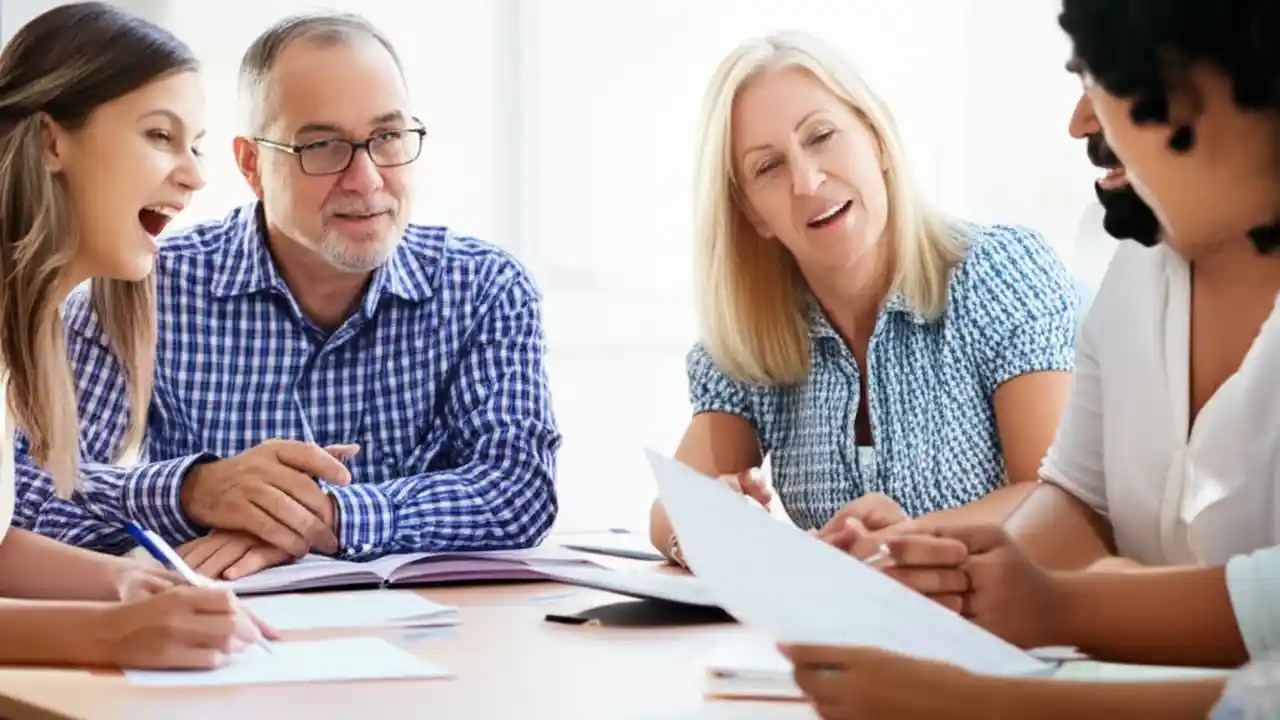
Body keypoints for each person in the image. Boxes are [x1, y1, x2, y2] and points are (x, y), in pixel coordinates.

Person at [785, 0, 1280, 716]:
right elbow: (1080, 499)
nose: (1082, 122)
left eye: (1107, 80)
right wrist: (955, 576)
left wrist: (1059, 612)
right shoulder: (1135, 272)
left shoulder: (1002, 269)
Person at [14, 11, 561, 581]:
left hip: (453, 642)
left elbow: (519, 489)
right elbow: (26, 497)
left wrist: (324, 516)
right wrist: (193, 490)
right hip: (230, 639)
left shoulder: (484, 288)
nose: (368, 179)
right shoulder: (145, 284)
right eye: (322, 146)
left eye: (389, 137)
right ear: (252, 164)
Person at [649, 30, 1080, 566]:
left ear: (876, 137)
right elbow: (672, 507)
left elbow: (1057, 506)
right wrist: (710, 527)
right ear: (752, 213)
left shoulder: (1000, 273)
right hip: (841, 640)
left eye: (821, 135)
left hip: (1003, 635)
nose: (806, 181)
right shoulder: (757, 335)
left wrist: (899, 545)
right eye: (768, 167)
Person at [0, 2, 271, 669]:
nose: (194, 174)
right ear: (49, 142)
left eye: (195, 144)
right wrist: (111, 635)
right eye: (159, 135)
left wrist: (128, 583)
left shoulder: (25, 339)